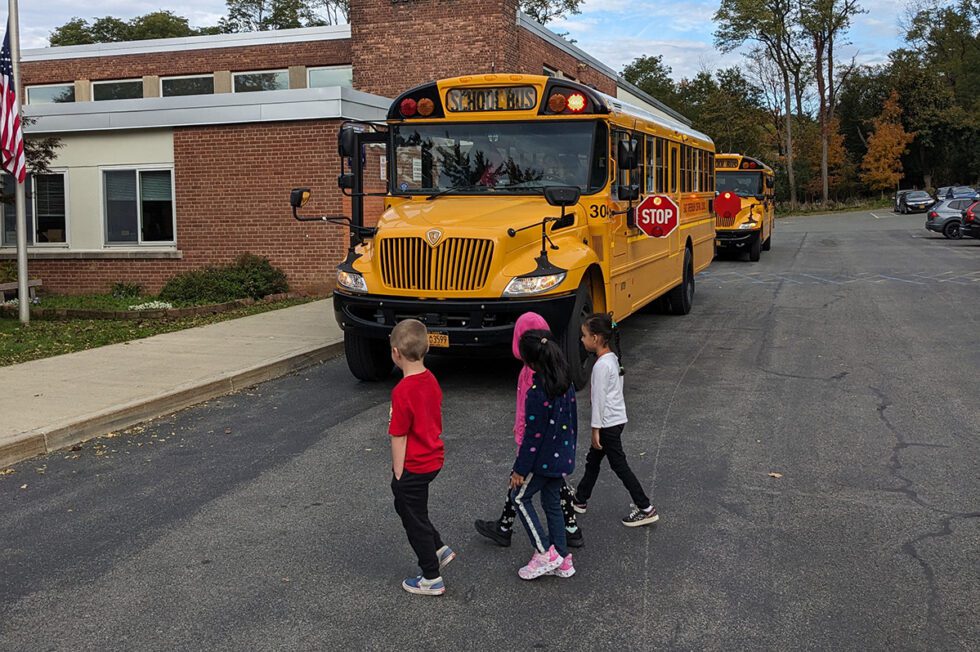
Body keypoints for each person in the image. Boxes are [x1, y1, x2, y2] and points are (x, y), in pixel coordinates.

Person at [473, 312, 583, 549]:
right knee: (551, 485)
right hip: (556, 445)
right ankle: (565, 532)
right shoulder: (559, 372)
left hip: (536, 446)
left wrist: (522, 444)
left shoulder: (534, 379)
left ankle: (544, 540)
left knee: (521, 487)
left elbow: (531, 419)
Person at [572, 313, 660, 527]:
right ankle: (580, 499)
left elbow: (599, 400)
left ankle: (645, 507)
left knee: (619, 465)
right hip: (616, 420)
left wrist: (595, 429)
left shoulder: (601, 366)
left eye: (584, 336)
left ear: (595, 338)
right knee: (593, 461)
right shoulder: (612, 358)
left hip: (607, 423)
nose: (582, 340)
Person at [388, 319, 455, 596]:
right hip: (432, 458)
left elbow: (398, 435)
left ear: (396, 353)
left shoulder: (402, 391)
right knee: (411, 508)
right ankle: (438, 547)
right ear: (426, 348)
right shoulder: (431, 379)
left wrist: (398, 472)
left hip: (414, 464)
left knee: (412, 516)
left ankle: (431, 577)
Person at [509, 328, 579, 580]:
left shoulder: (537, 393)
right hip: (562, 457)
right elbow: (572, 421)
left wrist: (519, 469)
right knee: (552, 504)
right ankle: (562, 557)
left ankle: (544, 552)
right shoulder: (566, 384)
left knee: (519, 498)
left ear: (529, 362)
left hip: (542, 462)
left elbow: (533, 437)